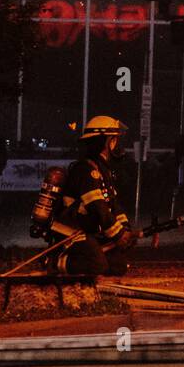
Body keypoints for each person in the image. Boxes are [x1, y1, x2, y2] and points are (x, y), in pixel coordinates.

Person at [50, 116, 138, 276]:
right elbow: (97, 207)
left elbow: (113, 205)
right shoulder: (86, 170)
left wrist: (126, 230)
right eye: (115, 139)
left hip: (87, 230)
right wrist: (118, 235)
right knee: (97, 266)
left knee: (119, 266)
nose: (117, 144)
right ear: (106, 142)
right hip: (71, 230)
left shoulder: (102, 170)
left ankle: (89, 257)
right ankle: (53, 261)